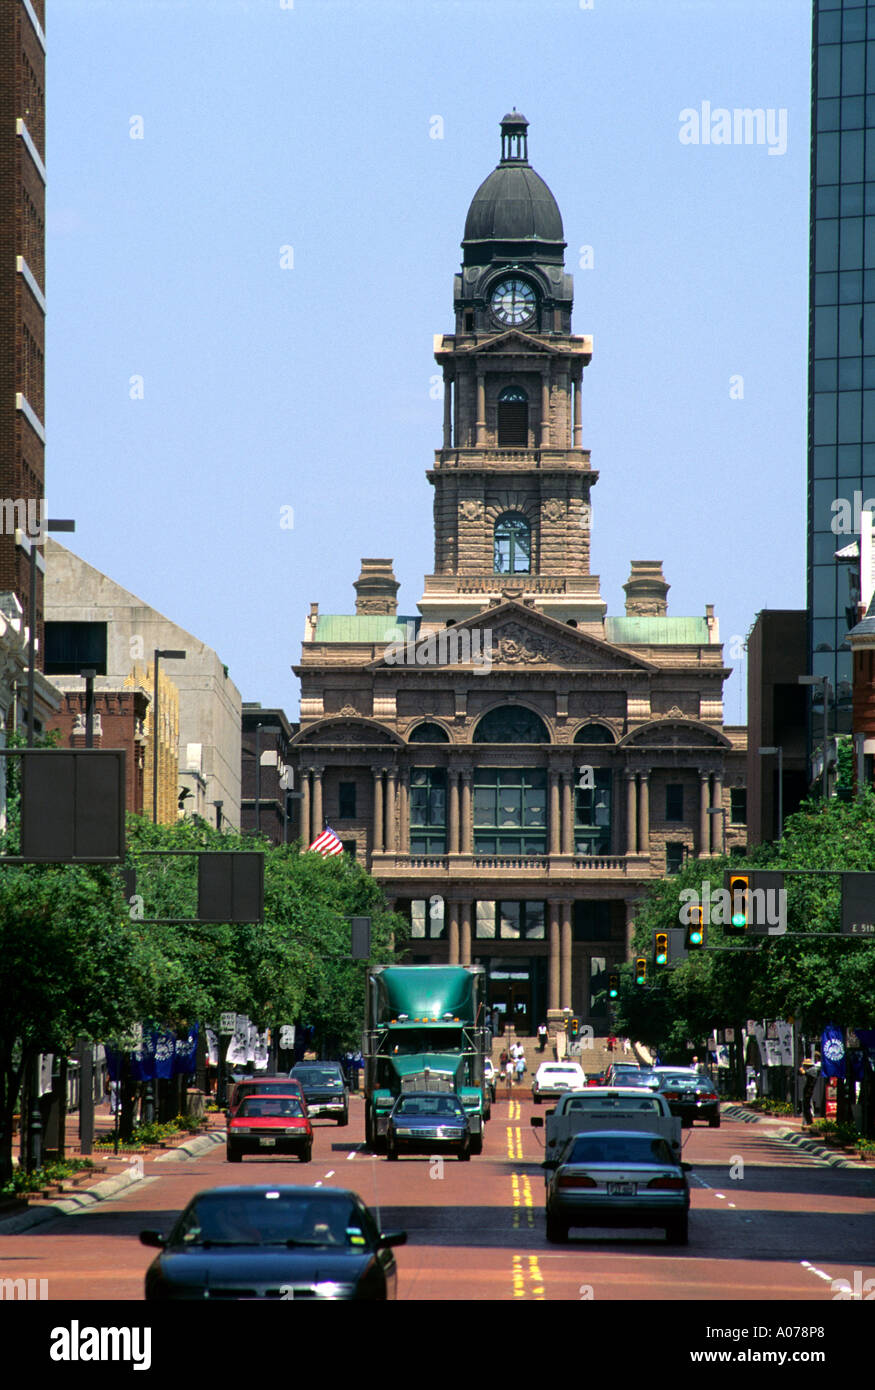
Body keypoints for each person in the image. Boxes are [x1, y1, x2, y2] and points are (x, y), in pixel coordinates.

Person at [800, 1053, 821, 1125]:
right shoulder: (812, 1070)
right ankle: (807, 1120)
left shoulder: (812, 1070)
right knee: (806, 1105)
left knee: (807, 1105)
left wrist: (802, 1070)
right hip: (808, 1089)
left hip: (809, 1090)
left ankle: (809, 1121)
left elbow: (804, 1073)